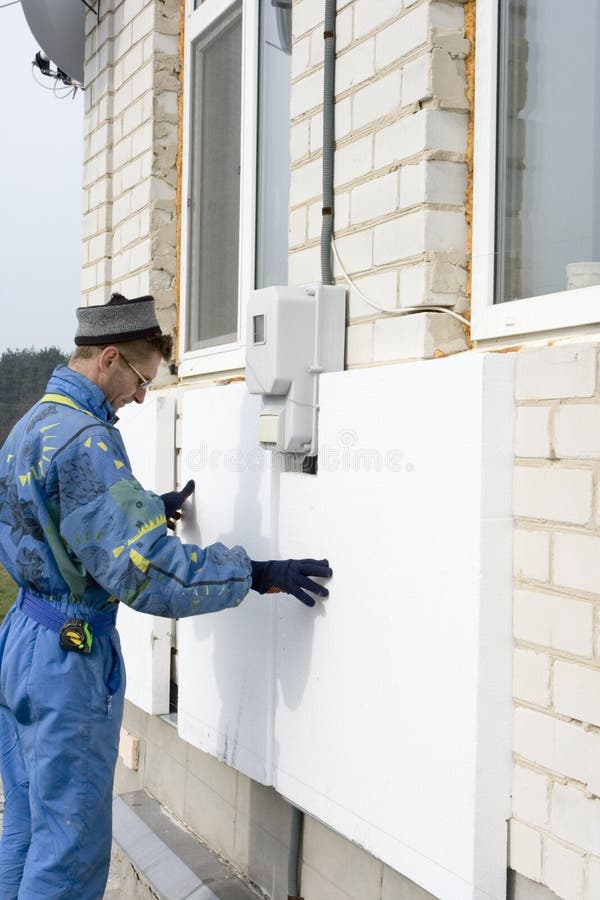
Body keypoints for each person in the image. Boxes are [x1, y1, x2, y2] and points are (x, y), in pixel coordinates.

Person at [0, 293, 332, 899]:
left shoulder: (32, 426)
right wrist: (257, 573)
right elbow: (151, 576)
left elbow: (53, 522)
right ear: (108, 360)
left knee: (26, 826)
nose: (142, 396)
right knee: (68, 851)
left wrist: (146, 510)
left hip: (24, 640)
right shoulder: (87, 441)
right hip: (67, 660)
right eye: (140, 379)